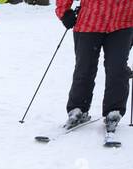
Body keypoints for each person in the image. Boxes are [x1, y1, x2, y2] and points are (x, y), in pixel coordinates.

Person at [56, 0, 133, 132]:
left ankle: (113, 112)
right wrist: (64, 12)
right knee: (84, 68)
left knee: (117, 68)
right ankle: (78, 109)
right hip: (89, 21)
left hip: (123, 23)